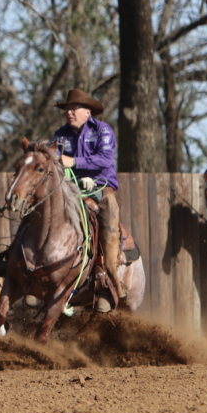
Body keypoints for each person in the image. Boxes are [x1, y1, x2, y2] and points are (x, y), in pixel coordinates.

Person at [52, 88, 125, 313]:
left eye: (74, 109)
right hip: (70, 190)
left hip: (102, 188)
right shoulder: (60, 135)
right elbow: (53, 162)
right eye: (67, 109)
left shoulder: (102, 131)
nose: (69, 112)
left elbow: (104, 159)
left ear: (87, 111)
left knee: (107, 220)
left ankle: (109, 276)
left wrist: (72, 162)